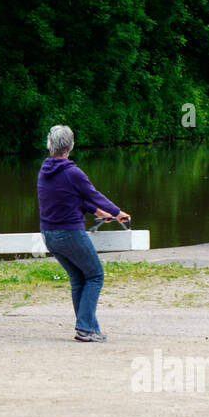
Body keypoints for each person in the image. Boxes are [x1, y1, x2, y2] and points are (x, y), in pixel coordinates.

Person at [37, 125, 130, 343]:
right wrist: (118, 213)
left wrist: (97, 212)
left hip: (49, 235)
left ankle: (87, 328)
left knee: (79, 278)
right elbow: (92, 193)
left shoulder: (44, 170)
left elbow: (73, 198)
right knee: (95, 275)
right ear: (70, 146)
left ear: (49, 145)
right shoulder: (72, 172)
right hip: (70, 233)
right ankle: (86, 328)